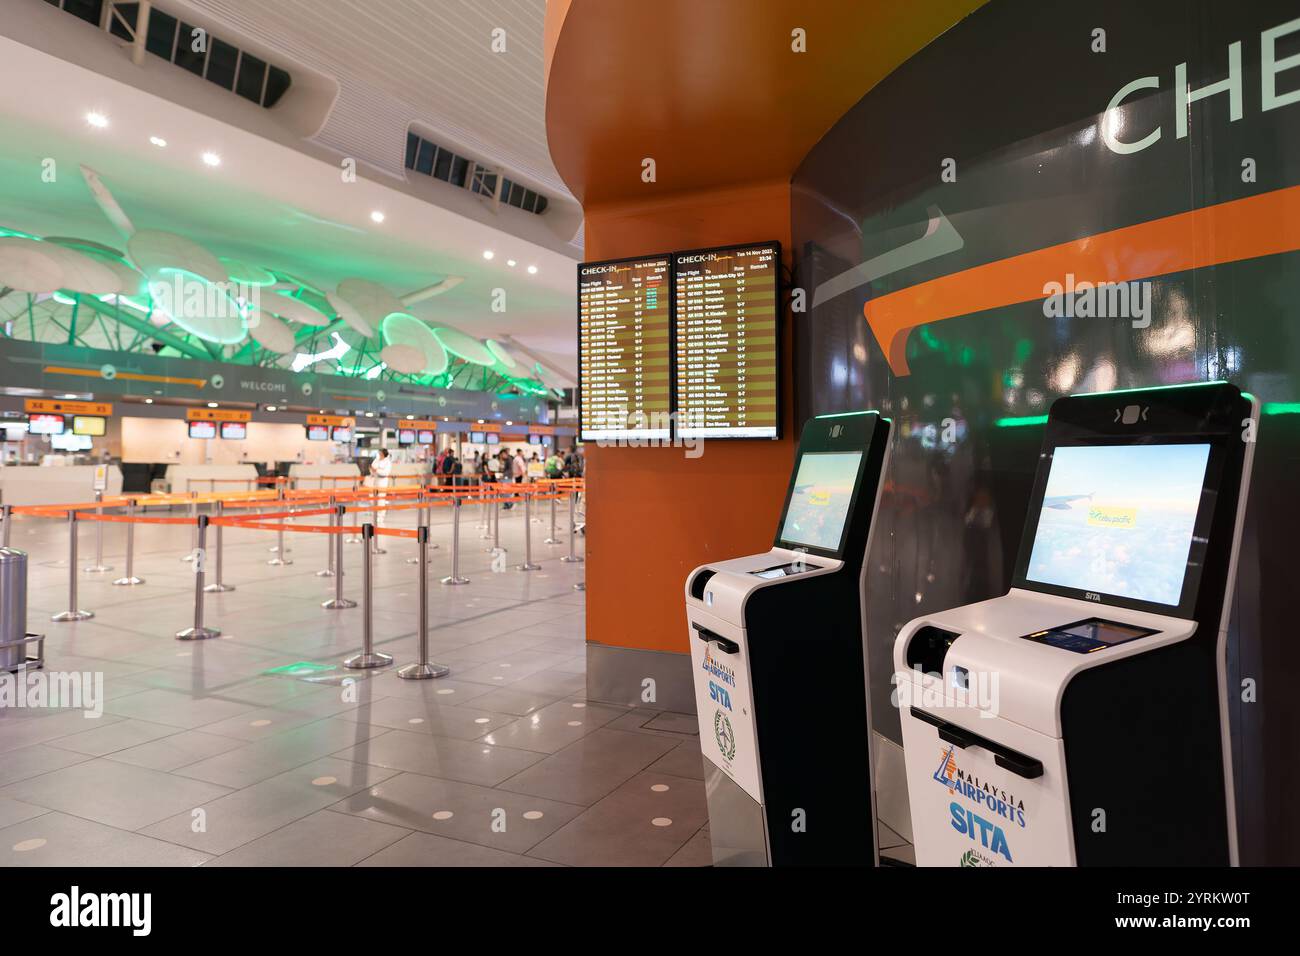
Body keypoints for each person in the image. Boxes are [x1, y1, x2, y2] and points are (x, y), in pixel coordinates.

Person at [370, 448, 392, 535]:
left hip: (383, 481)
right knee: (373, 498)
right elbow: (372, 466)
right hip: (376, 480)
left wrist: (377, 470)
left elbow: (385, 473)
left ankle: (381, 516)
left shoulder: (388, 462)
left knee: (381, 499)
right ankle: (376, 513)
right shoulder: (377, 459)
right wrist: (373, 470)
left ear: (383, 454)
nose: (379, 454)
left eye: (380, 453)